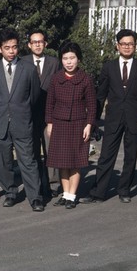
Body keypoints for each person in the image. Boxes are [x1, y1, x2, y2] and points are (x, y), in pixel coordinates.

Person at [80, 29, 137, 204]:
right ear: (117, 46)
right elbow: (100, 96)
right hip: (113, 119)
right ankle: (98, 192)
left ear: (135, 46)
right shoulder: (108, 67)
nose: (127, 47)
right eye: (124, 44)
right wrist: (93, 121)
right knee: (106, 155)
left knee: (130, 156)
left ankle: (124, 190)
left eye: (130, 44)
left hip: (135, 119)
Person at [0, 27, 44, 212]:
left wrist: (26, 115)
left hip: (23, 123)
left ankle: (35, 197)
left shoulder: (28, 69)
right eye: (7, 47)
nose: (11, 51)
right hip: (1, 124)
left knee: (28, 161)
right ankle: (10, 193)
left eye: (14, 47)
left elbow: (35, 97)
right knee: (4, 162)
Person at [45, 41, 96, 209]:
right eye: (65, 58)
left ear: (78, 59)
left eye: (72, 58)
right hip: (59, 123)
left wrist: (89, 125)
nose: (69, 62)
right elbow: (49, 103)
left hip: (78, 124)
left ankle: (72, 196)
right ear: (61, 60)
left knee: (75, 162)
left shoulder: (85, 80)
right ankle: (65, 194)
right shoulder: (56, 78)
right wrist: (50, 123)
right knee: (62, 162)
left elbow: (92, 105)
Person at [22, 29, 60, 199]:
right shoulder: (22, 62)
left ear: (45, 44)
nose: (37, 44)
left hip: (49, 114)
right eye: (34, 42)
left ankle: (52, 184)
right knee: (33, 151)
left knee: (51, 149)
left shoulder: (54, 62)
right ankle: (36, 184)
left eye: (40, 41)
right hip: (29, 114)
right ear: (29, 45)